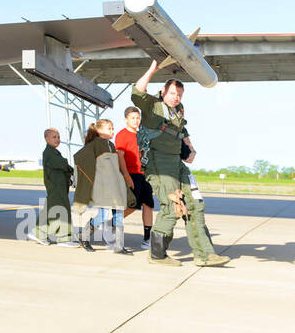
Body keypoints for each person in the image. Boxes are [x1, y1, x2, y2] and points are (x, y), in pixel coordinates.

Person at [133, 60, 229, 267]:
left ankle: (205, 254)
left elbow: (183, 132)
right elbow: (137, 92)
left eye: (179, 95)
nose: (176, 98)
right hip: (159, 163)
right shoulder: (153, 107)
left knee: (195, 204)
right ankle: (157, 254)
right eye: (172, 94)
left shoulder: (179, 110)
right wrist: (152, 69)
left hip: (177, 163)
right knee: (171, 206)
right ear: (163, 92)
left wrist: (191, 149)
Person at [73, 119, 133, 254]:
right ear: (99, 131)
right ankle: (84, 236)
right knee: (101, 215)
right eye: (109, 128)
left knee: (118, 214)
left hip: (115, 187)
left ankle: (119, 246)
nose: (112, 131)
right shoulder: (94, 145)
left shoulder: (111, 145)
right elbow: (80, 157)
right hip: (103, 188)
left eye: (112, 128)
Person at [29, 128, 79, 247]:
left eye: (58, 137)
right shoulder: (49, 152)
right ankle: (63, 238)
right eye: (54, 137)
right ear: (46, 139)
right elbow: (61, 164)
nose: (57, 139)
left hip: (59, 186)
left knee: (51, 209)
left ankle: (38, 233)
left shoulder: (54, 152)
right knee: (62, 209)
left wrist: (69, 177)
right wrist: (70, 168)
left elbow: (62, 168)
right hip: (55, 186)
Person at [115, 105, 156, 249]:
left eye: (138, 118)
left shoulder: (141, 135)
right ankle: (113, 222)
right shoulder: (121, 135)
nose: (136, 120)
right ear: (126, 119)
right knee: (133, 206)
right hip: (131, 175)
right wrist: (126, 176)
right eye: (132, 118)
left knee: (148, 206)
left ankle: (147, 239)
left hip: (144, 175)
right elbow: (120, 157)